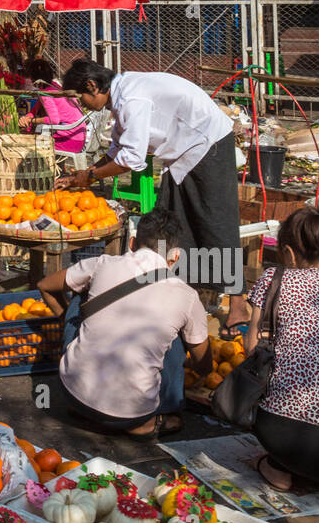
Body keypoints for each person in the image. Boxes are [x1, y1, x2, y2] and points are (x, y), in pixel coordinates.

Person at [58, 59, 244, 329]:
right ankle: (177, 290)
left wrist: (90, 176)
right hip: (182, 154)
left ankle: (238, 304)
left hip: (208, 145)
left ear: (92, 86)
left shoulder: (131, 97)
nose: (81, 104)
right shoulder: (122, 97)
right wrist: (82, 176)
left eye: (81, 97)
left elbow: (130, 159)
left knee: (215, 220)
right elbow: (116, 151)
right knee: (171, 221)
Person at [39, 208, 212, 437]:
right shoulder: (187, 296)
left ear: (131, 243)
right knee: (178, 333)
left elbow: (45, 286)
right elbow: (204, 364)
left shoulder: (101, 264)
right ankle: (157, 418)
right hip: (133, 413)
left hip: (72, 393)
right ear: (175, 257)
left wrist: (73, 325)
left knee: (79, 296)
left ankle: (86, 403)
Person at [248, 208, 319, 491]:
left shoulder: (273, 279)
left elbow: (252, 347)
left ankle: (276, 467)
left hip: (281, 434)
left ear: (289, 253)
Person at [25, 57, 87, 156]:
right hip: (79, 138)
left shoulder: (46, 93)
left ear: (32, 78)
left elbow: (53, 120)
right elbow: (36, 108)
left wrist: (32, 121)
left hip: (70, 141)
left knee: (28, 145)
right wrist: (29, 116)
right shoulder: (55, 87)